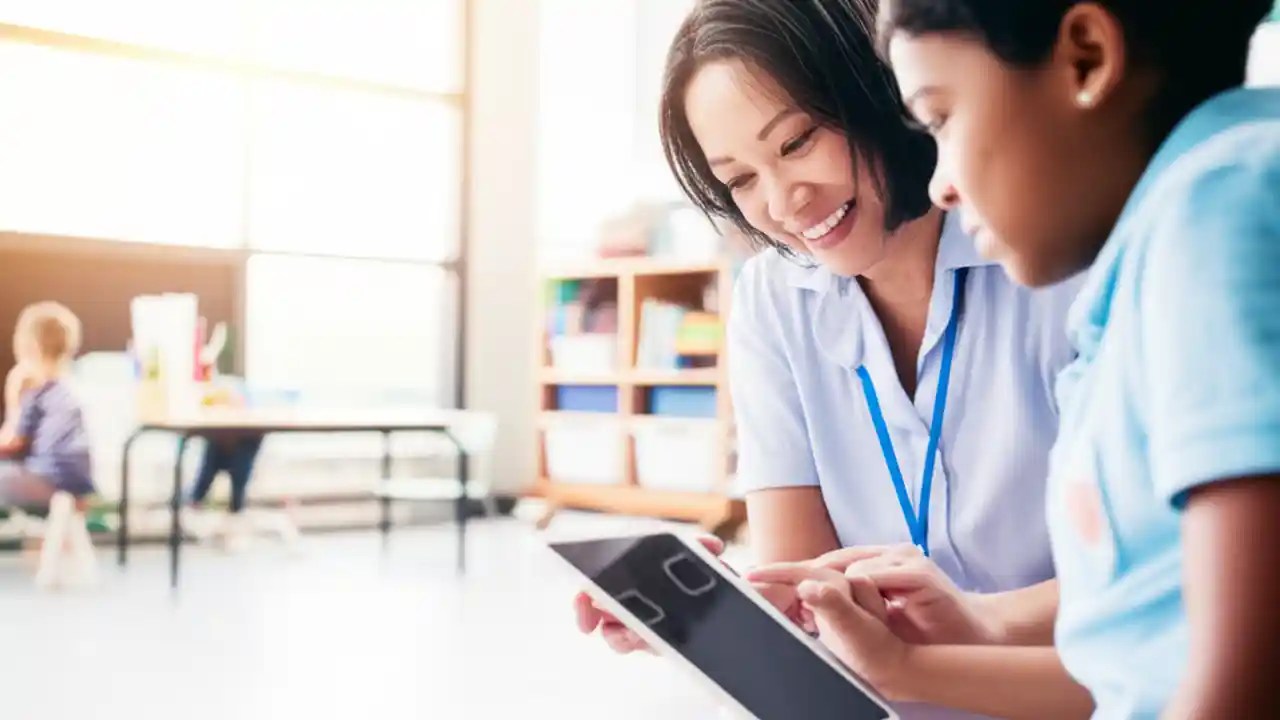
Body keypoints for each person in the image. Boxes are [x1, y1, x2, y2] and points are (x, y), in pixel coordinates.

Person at [752, 1, 1280, 717]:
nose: (939, 184)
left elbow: (1249, 680)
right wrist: (926, 655)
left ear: (1086, 57)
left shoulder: (1219, 209)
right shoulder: (1154, 258)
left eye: (940, 118)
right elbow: (1142, 664)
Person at [574, 2, 1087, 717]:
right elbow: (811, 591)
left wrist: (972, 624)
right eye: (740, 181)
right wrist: (722, 616)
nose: (783, 203)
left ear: (879, 90)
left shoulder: (1056, 259)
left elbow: (1166, 581)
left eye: (796, 142)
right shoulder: (774, 299)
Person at [0, 302, 95, 508]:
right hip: (81, 485)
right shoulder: (70, 385)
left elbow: (12, 442)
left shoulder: (39, 388)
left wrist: (14, 397)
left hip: (50, 482)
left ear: (30, 345)